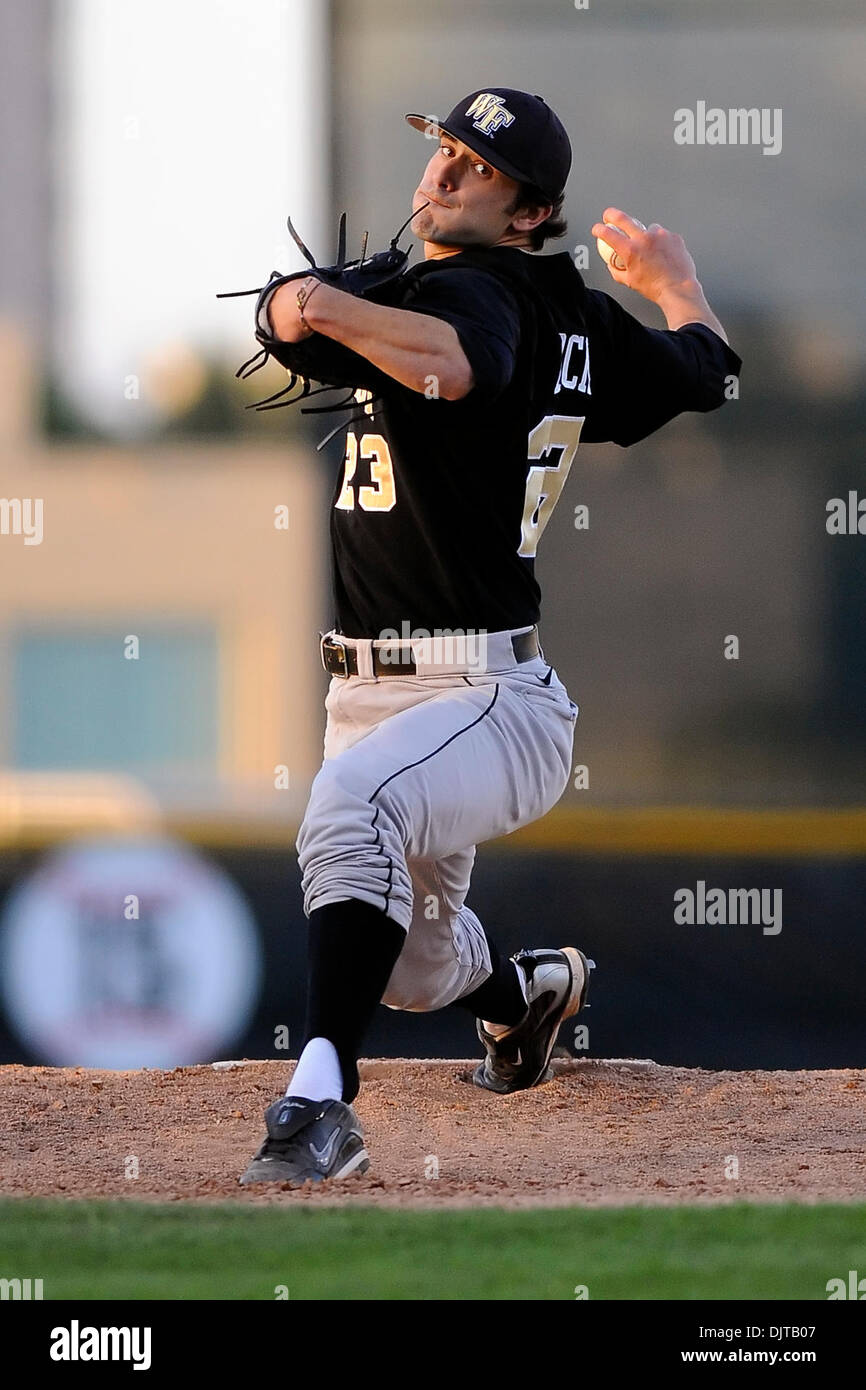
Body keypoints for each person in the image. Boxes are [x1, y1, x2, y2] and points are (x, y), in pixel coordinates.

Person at [239, 87, 742, 1186]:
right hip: (376, 695)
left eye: (477, 167)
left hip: (487, 698)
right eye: (444, 150)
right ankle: (529, 998)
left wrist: (314, 303)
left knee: (348, 810)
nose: (446, 172)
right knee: (413, 969)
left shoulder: (482, 293)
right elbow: (707, 368)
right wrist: (673, 292)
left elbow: (457, 364)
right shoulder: (569, 319)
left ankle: (318, 1100)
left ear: (527, 214)